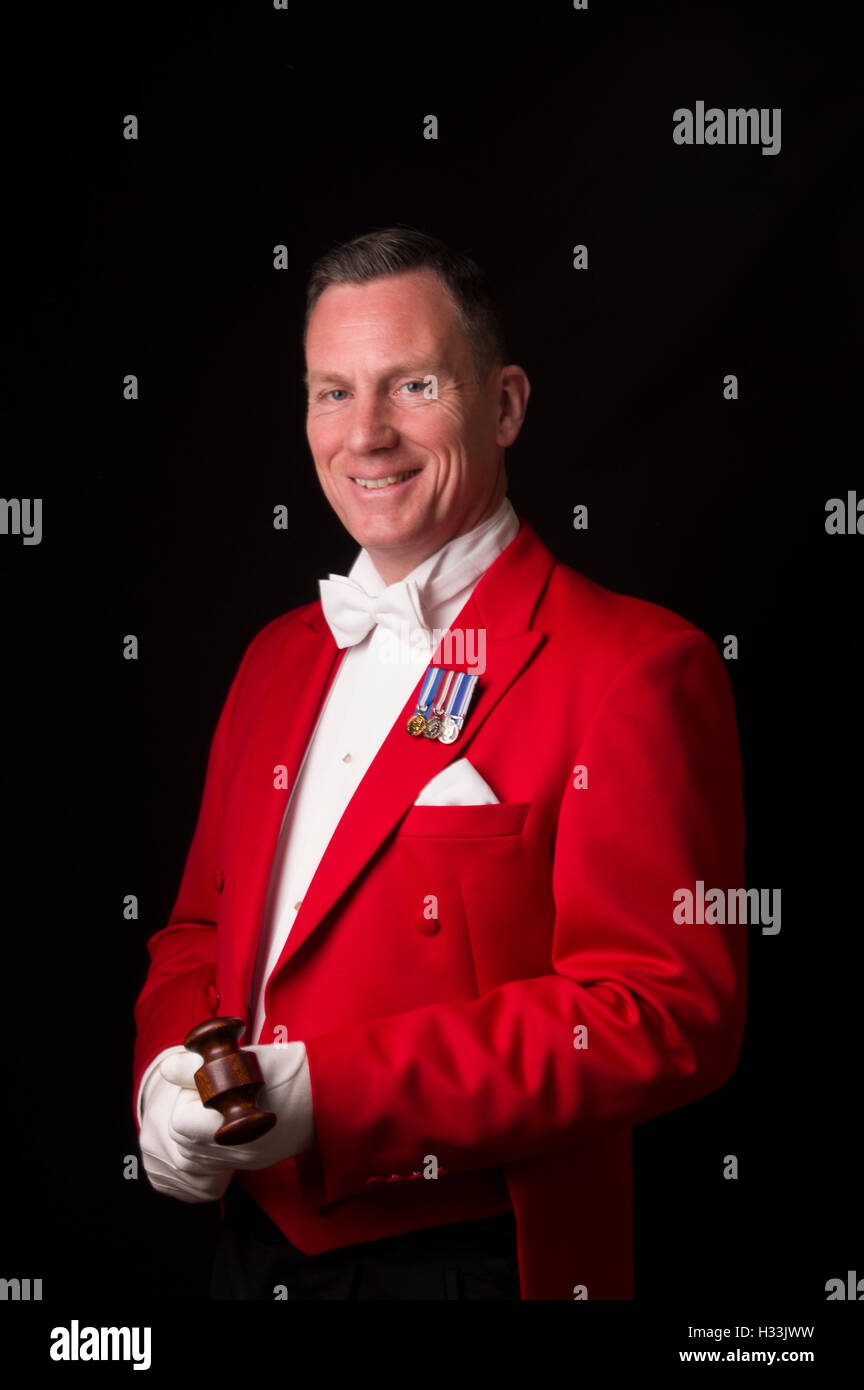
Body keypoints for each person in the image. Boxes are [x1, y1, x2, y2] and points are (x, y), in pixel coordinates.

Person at [133, 226, 747, 1300]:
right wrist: (164, 1077)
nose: (365, 434)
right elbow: (197, 932)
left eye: (411, 385)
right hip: (247, 1255)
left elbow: (667, 1009)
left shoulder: (640, 665)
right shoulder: (277, 656)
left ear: (504, 404)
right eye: (333, 392)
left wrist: (334, 1091)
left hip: (469, 1263)